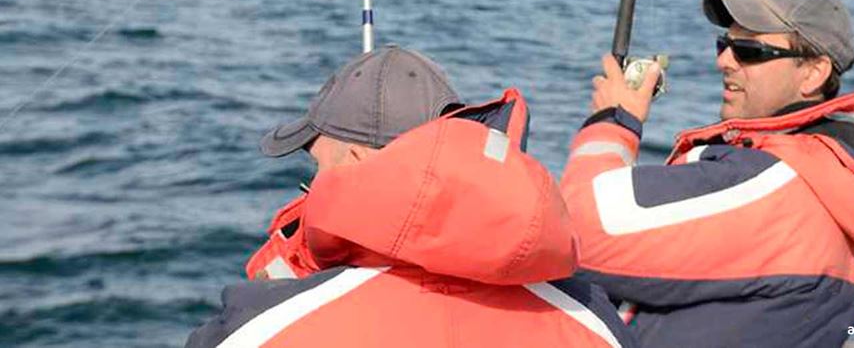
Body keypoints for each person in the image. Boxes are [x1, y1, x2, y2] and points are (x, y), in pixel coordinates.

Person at [187, 45, 636, 348]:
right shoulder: (595, 322)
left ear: (358, 164)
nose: (311, 192)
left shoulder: (259, 331)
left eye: (318, 171)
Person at [560, 0, 854, 348]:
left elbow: (573, 230)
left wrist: (613, 123)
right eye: (724, 44)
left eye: (749, 51)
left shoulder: (774, 185)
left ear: (813, 73)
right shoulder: (836, 180)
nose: (723, 61)